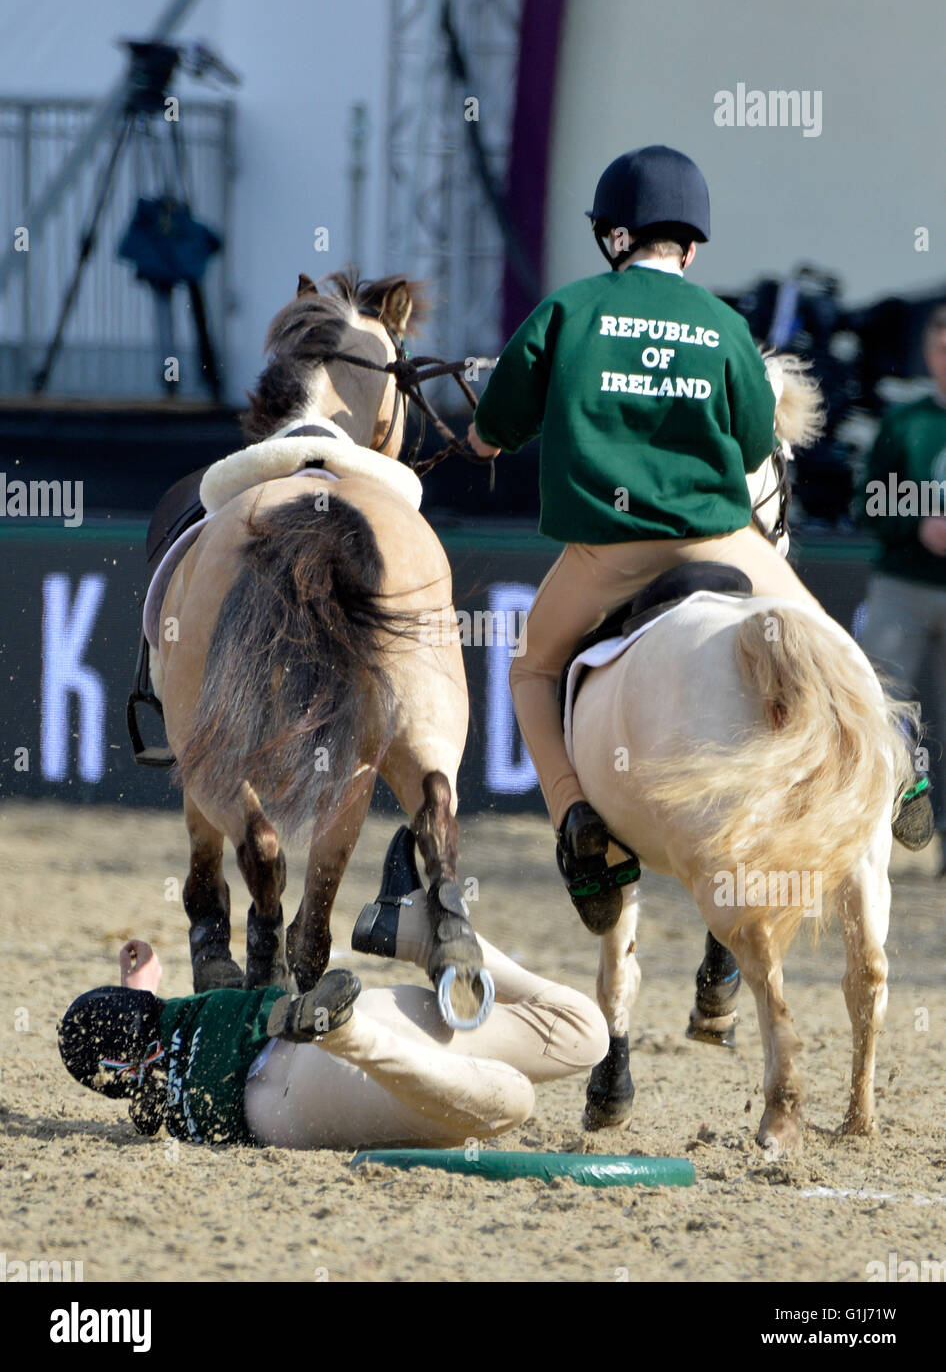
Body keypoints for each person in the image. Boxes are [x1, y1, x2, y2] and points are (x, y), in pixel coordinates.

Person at [467, 144, 825, 926]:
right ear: (691, 245)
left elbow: (499, 416)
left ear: (613, 237)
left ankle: (575, 820)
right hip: (720, 540)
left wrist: (486, 442)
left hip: (610, 555)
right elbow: (759, 431)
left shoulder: (570, 308)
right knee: (823, 638)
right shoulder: (725, 323)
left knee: (530, 670)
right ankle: (900, 765)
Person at [58, 829, 609, 1149]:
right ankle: (416, 930)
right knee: (583, 1034)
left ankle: (348, 1031)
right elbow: (143, 1018)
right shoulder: (183, 1013)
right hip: (339, 1027)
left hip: (312, 1093)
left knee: (524, 1090)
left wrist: (133, 1002)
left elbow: (135, 1065)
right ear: (143, 1005)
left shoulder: (156, 1098)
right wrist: (137, 982)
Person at [858, 303, 946, 865]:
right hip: (903, 587)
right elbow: (868, 503)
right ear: (930, 353)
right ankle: (864, 840)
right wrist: (918, 523)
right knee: (877, 713)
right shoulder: (905, 422)